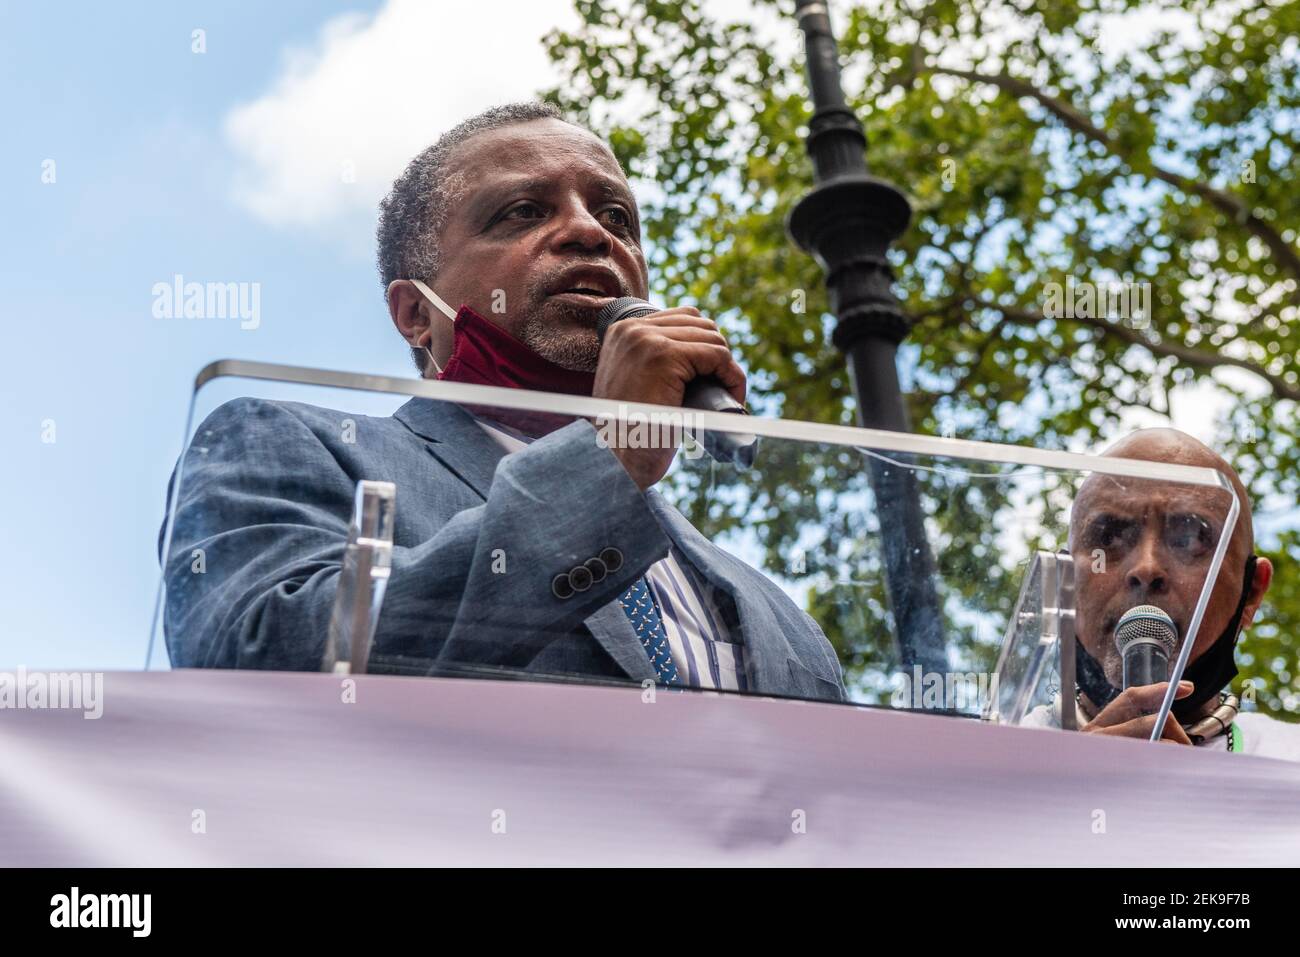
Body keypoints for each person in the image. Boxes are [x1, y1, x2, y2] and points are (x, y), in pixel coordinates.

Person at [159, 101, 845, 703]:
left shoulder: (780, 616)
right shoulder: (286, 443)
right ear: (414, 314)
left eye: (617, 217)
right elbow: (256, 664)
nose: (591, 233)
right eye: (523, 211)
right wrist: (607, 465)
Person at [1028, 428, 1298, 758]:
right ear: (1063, 582)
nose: (1146, 567)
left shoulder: (1288, 761)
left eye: (1190, 539)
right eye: (1109, 537)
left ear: (1252, 592)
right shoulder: (990, 756)